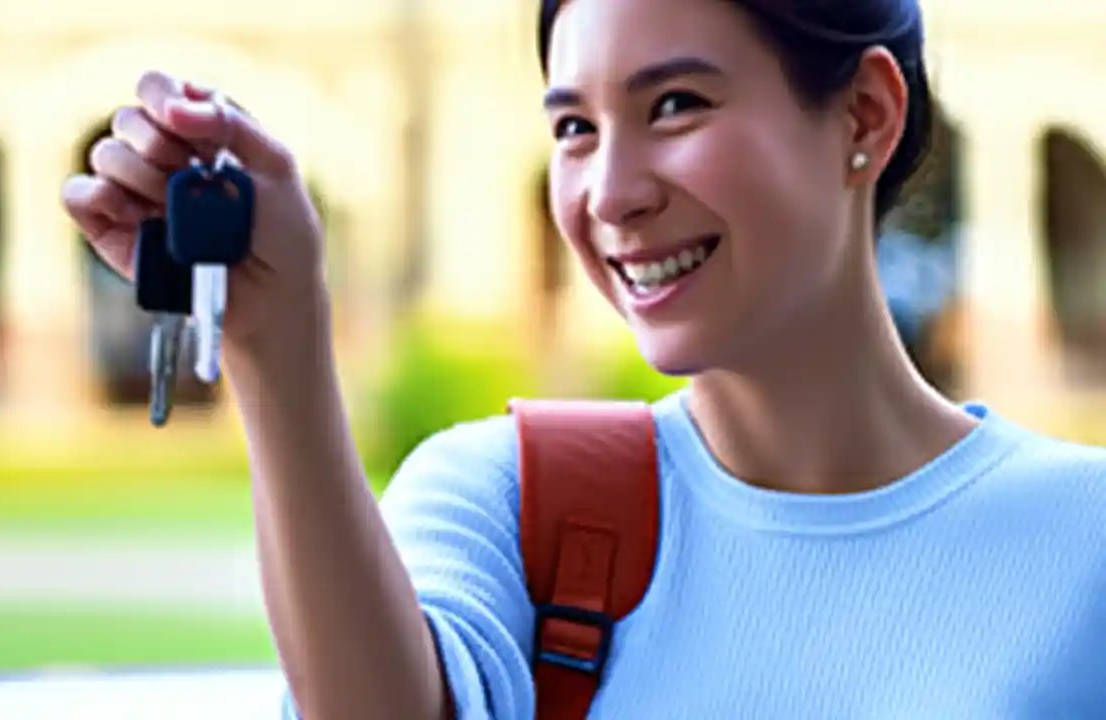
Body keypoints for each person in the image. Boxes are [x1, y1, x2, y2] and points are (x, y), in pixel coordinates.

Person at [60, 0, 1106, 717]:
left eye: (674, 106)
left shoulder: (1083, 540)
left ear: (863, 117)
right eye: (572, 127)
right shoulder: (507, 500)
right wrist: (273, 346)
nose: (609, 194)